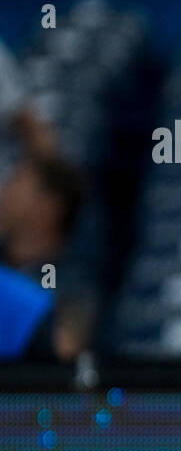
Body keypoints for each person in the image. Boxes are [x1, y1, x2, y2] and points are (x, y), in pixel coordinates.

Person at [0, 152, 90, 359]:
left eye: (17, 181)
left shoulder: (73, 284)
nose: (5, 191)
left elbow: (66, 349)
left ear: (49, 205)